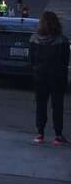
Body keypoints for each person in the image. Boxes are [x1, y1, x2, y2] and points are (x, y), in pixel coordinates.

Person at [28, 11, 68, 145]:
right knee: (57, 106)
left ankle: (40, 134)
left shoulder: (34, 39)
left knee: (41, 105)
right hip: (57, 77)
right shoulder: (62, 40)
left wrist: (35, 70)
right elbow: (65, 61)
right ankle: (58, 135)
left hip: (40, 76)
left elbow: (31, 59)